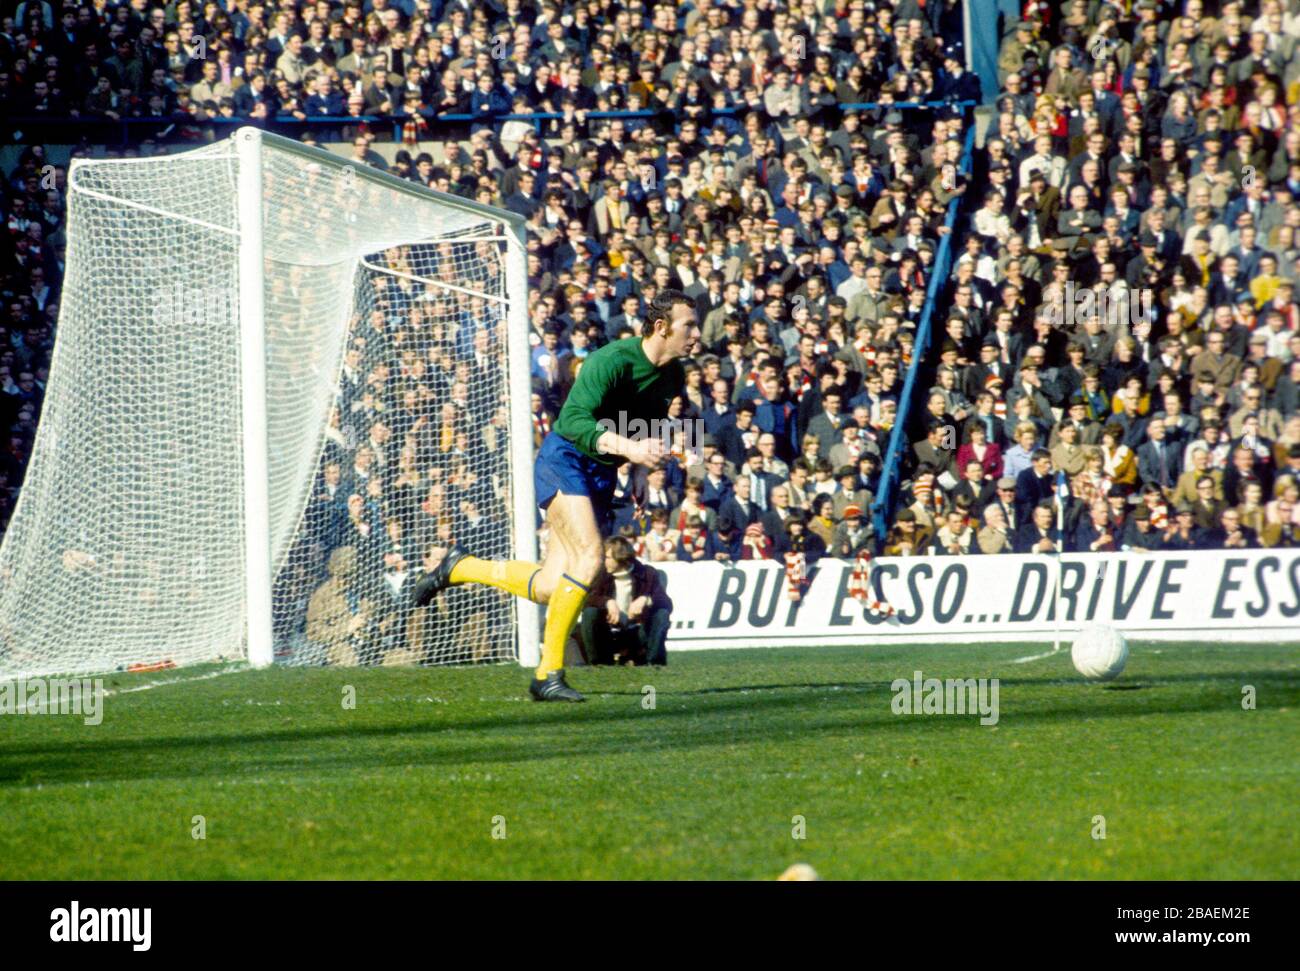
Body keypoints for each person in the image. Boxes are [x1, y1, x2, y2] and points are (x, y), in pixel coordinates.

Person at [412, 290, 700, 702]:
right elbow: (575, 421)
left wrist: (638, 466)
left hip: (599, 474)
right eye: (689, 324)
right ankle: (547, 674)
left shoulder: (672, 375)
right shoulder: (610, 361)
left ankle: (460, 567)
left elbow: (642, 429)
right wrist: (631, 449)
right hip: (564, 458)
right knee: (589, 559)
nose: (696, 332)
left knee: (551, 585)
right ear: (661, 327)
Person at [576, 536, 673, 666]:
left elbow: (666, 603)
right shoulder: (600, 574)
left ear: (621, 558)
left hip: (638, 633)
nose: (604, 561)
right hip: (610, 633)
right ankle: (598, 663)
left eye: (608, 558)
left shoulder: (648, 573)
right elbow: (587, 600)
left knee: (661, 614)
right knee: (590, 612)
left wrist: (645, 599)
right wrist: (608, 601)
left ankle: (654, 663)